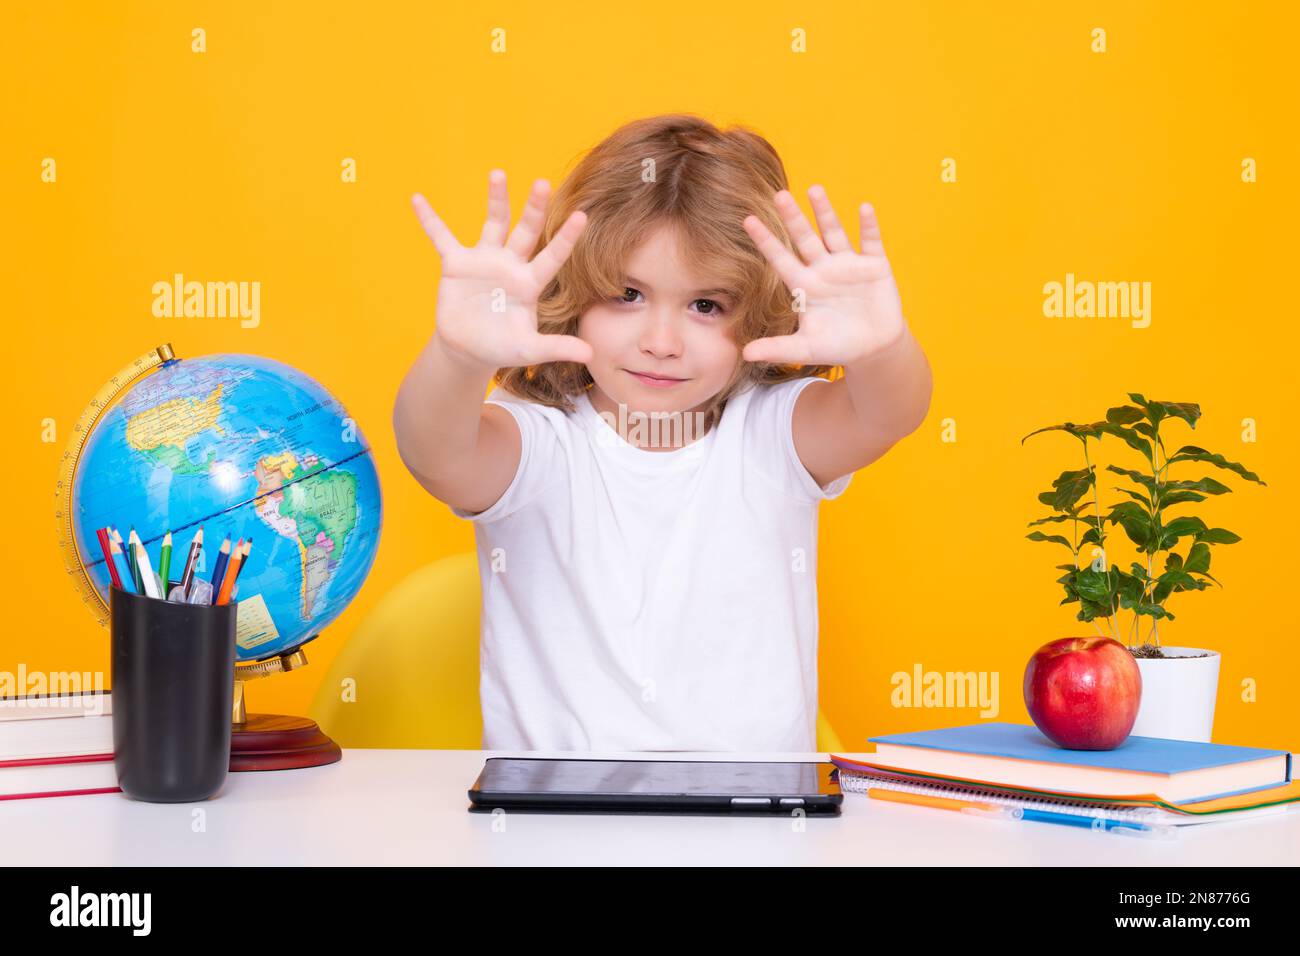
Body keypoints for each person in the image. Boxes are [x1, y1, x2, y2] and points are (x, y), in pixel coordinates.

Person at [393, 114, 932, 751]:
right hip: (556, 825)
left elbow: (887, 413)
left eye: (706, 306)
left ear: (756, 311)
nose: (661, 343)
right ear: (575, 289)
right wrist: (458, 356)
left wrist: (883, 347)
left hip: (752, 826)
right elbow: (435, 452)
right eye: (627, 294)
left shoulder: (775, 432)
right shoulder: (540, 442)